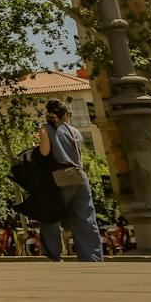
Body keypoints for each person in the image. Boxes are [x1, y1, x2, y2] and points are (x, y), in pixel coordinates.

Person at [36, 99, 103, 261]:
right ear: (65, 115)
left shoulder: (45, 130)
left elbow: (44, 152)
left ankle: (53, 256)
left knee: (51, 217)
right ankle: (92, 257)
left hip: (61, 176)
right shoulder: (75, 131)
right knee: (85, 218)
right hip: (80, 176)